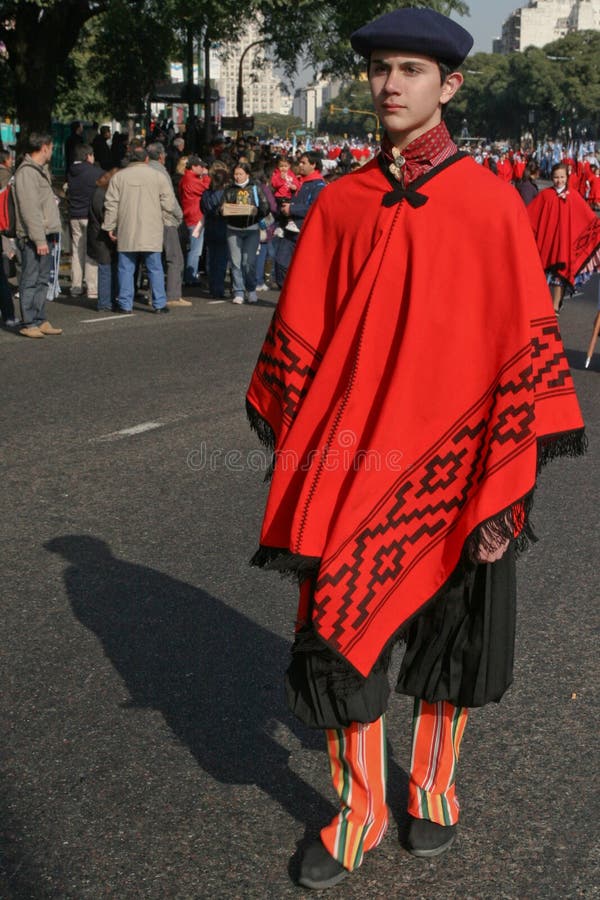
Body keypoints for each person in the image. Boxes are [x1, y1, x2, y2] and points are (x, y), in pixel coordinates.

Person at [245, 8, 586, 891]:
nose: (390, 84)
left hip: (465, 467)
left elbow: (521, 352)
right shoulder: (343, 202)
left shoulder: (489, 204)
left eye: (411, 70)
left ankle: (433, 788)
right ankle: (358, 810)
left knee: (450, 645)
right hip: (355, 465)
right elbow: (303, 346)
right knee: (342, 642)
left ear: (450, 84)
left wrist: (507, 492)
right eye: (379, 69)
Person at [102, 145, 177, 314]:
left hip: (127, 228)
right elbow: (169, 202)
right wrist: (165, 218)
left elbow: (111, 204)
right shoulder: (158, 176)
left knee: (126, 268)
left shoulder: (119, 177)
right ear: (146, 159)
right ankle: (159, 303)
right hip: (152, 228)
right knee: (155, 267)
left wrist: (110, 225)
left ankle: (125, 304)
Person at [528, 162, 600, 314]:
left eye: (562, 177)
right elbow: (530, 215)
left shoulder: (573, 195)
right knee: (543, 277)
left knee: (559, 278)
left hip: (565, 244)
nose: (559, 180)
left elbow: (587, 217)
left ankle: (555, 306)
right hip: (547, 242)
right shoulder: (545, 195)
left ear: (567, 178)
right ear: (552, 177)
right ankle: (545, 303)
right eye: (556, 177)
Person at [13, 132, 63, 338]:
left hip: (46, 233)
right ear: (44, 147)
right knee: (31, 278)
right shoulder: (27, 173)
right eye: (51, 147)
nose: (52, 151)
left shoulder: (40, 170)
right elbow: (29, 209)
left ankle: (40, 318)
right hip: (33, 236)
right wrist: (39, 239)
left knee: (43, 279)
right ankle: (28, 321)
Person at [274, 151, 327, 288]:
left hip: (305, 231)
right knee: (280, 263)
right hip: (289, 230)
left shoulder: (318, 185)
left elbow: (315, 207)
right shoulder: (298, 181)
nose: (300, 165)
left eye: (304, 163)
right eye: (300, 162)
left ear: (314, 165)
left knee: (304, 270)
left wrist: (292, 209)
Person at [147, 141, 190, 308]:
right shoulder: (161, 172)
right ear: (161, 156)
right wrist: (179, 216)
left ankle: (153, 295)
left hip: (148, 220)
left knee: (153, 260)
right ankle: (173, 295)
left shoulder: (142, 170)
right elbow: (169, 199)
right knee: (175, 258)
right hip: (166, 219)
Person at [222, 161, 270, 305]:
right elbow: (221, 207)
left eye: (240, 174)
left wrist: (258, 211)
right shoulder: (229, 189)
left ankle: (251, 289)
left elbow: (265, 206)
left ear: (247, 174)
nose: (237, 177)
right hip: (233, 229)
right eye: (235, 174)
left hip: (251, 229)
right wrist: (222, 210)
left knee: (248, 262)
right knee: (235, 263)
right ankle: (238, 291)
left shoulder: (255, 188)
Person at [67, 143, 104, 299]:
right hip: (89, 215)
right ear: (88, 156)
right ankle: (92, 287)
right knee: (91, 251)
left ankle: (76, 286)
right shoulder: (95, 172)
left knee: (77, 250)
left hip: (74, 214)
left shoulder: (71, 172)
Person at [87, 168, 119, 311]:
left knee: (109, 267)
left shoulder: (100, 191)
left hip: (100, 235)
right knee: (106, 268)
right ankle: (105, 302)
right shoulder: (101, 194)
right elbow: (103, 215)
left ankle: (109, 300)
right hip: (101, 236)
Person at [178, 155, 209, 286]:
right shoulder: (191, 179)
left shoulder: (186, 178)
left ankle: (191, 275)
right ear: (194, 167)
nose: (203, 169)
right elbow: (206, 188)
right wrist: (207, 177)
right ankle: (190, 276)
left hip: (191, 216)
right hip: (195, 218)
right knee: (195, 249)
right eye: (201, 166)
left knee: (193, 248)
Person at [200, 166, 230, 299]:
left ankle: (213, 287)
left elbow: (202, 208)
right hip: (223, 227)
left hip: (210, 227)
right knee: (221, 260)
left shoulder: (206, 194)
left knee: (212, 260)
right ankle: (218, 289)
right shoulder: (225, 193)